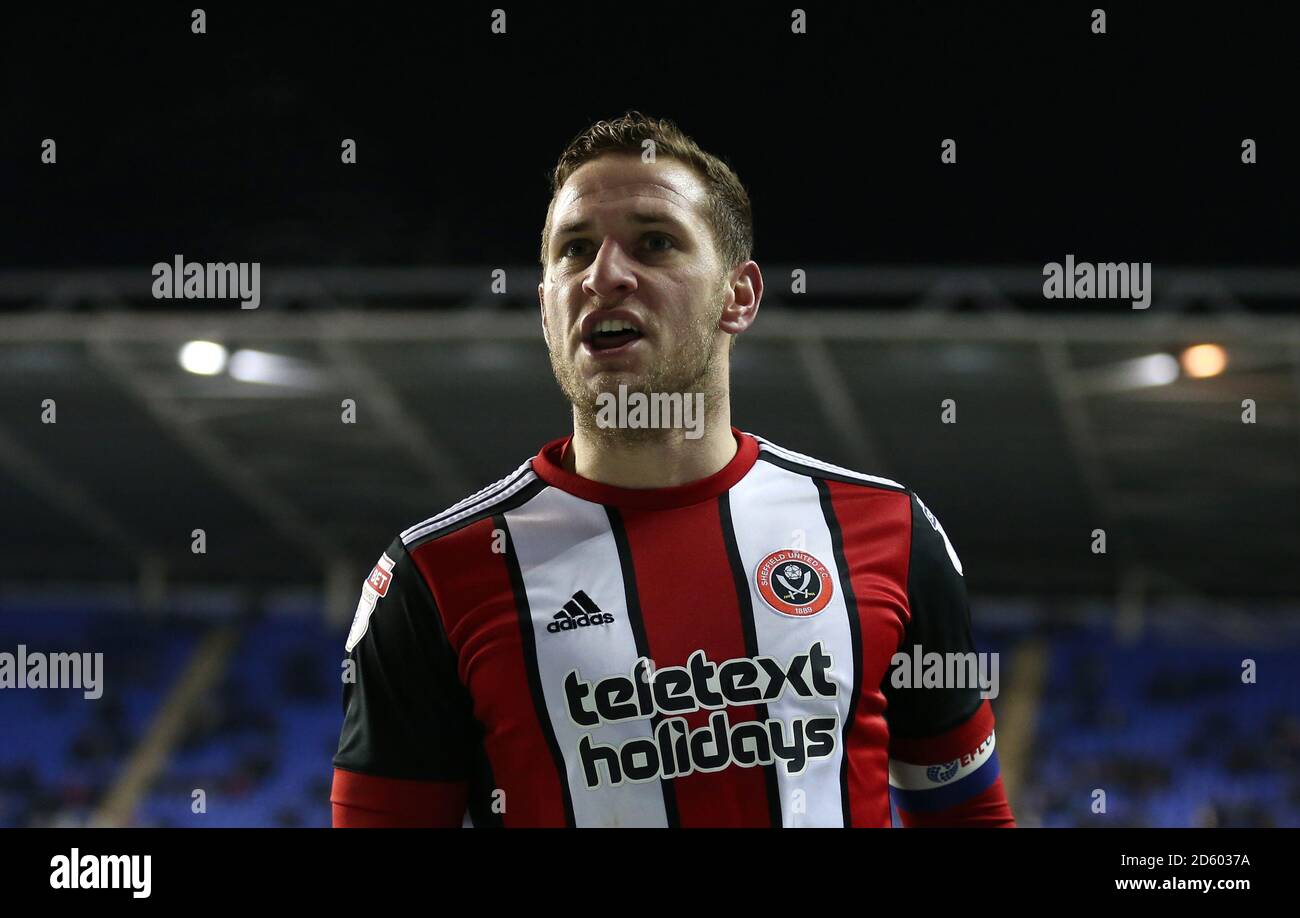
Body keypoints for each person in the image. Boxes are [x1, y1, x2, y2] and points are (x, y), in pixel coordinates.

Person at [331, 111, 1014, 827]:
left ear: (739, 296)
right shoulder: (435, 575)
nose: (604, 276)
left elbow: (966, 816)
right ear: (545, 310)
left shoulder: (890, 532)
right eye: (574, 250)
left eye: (654, 243)